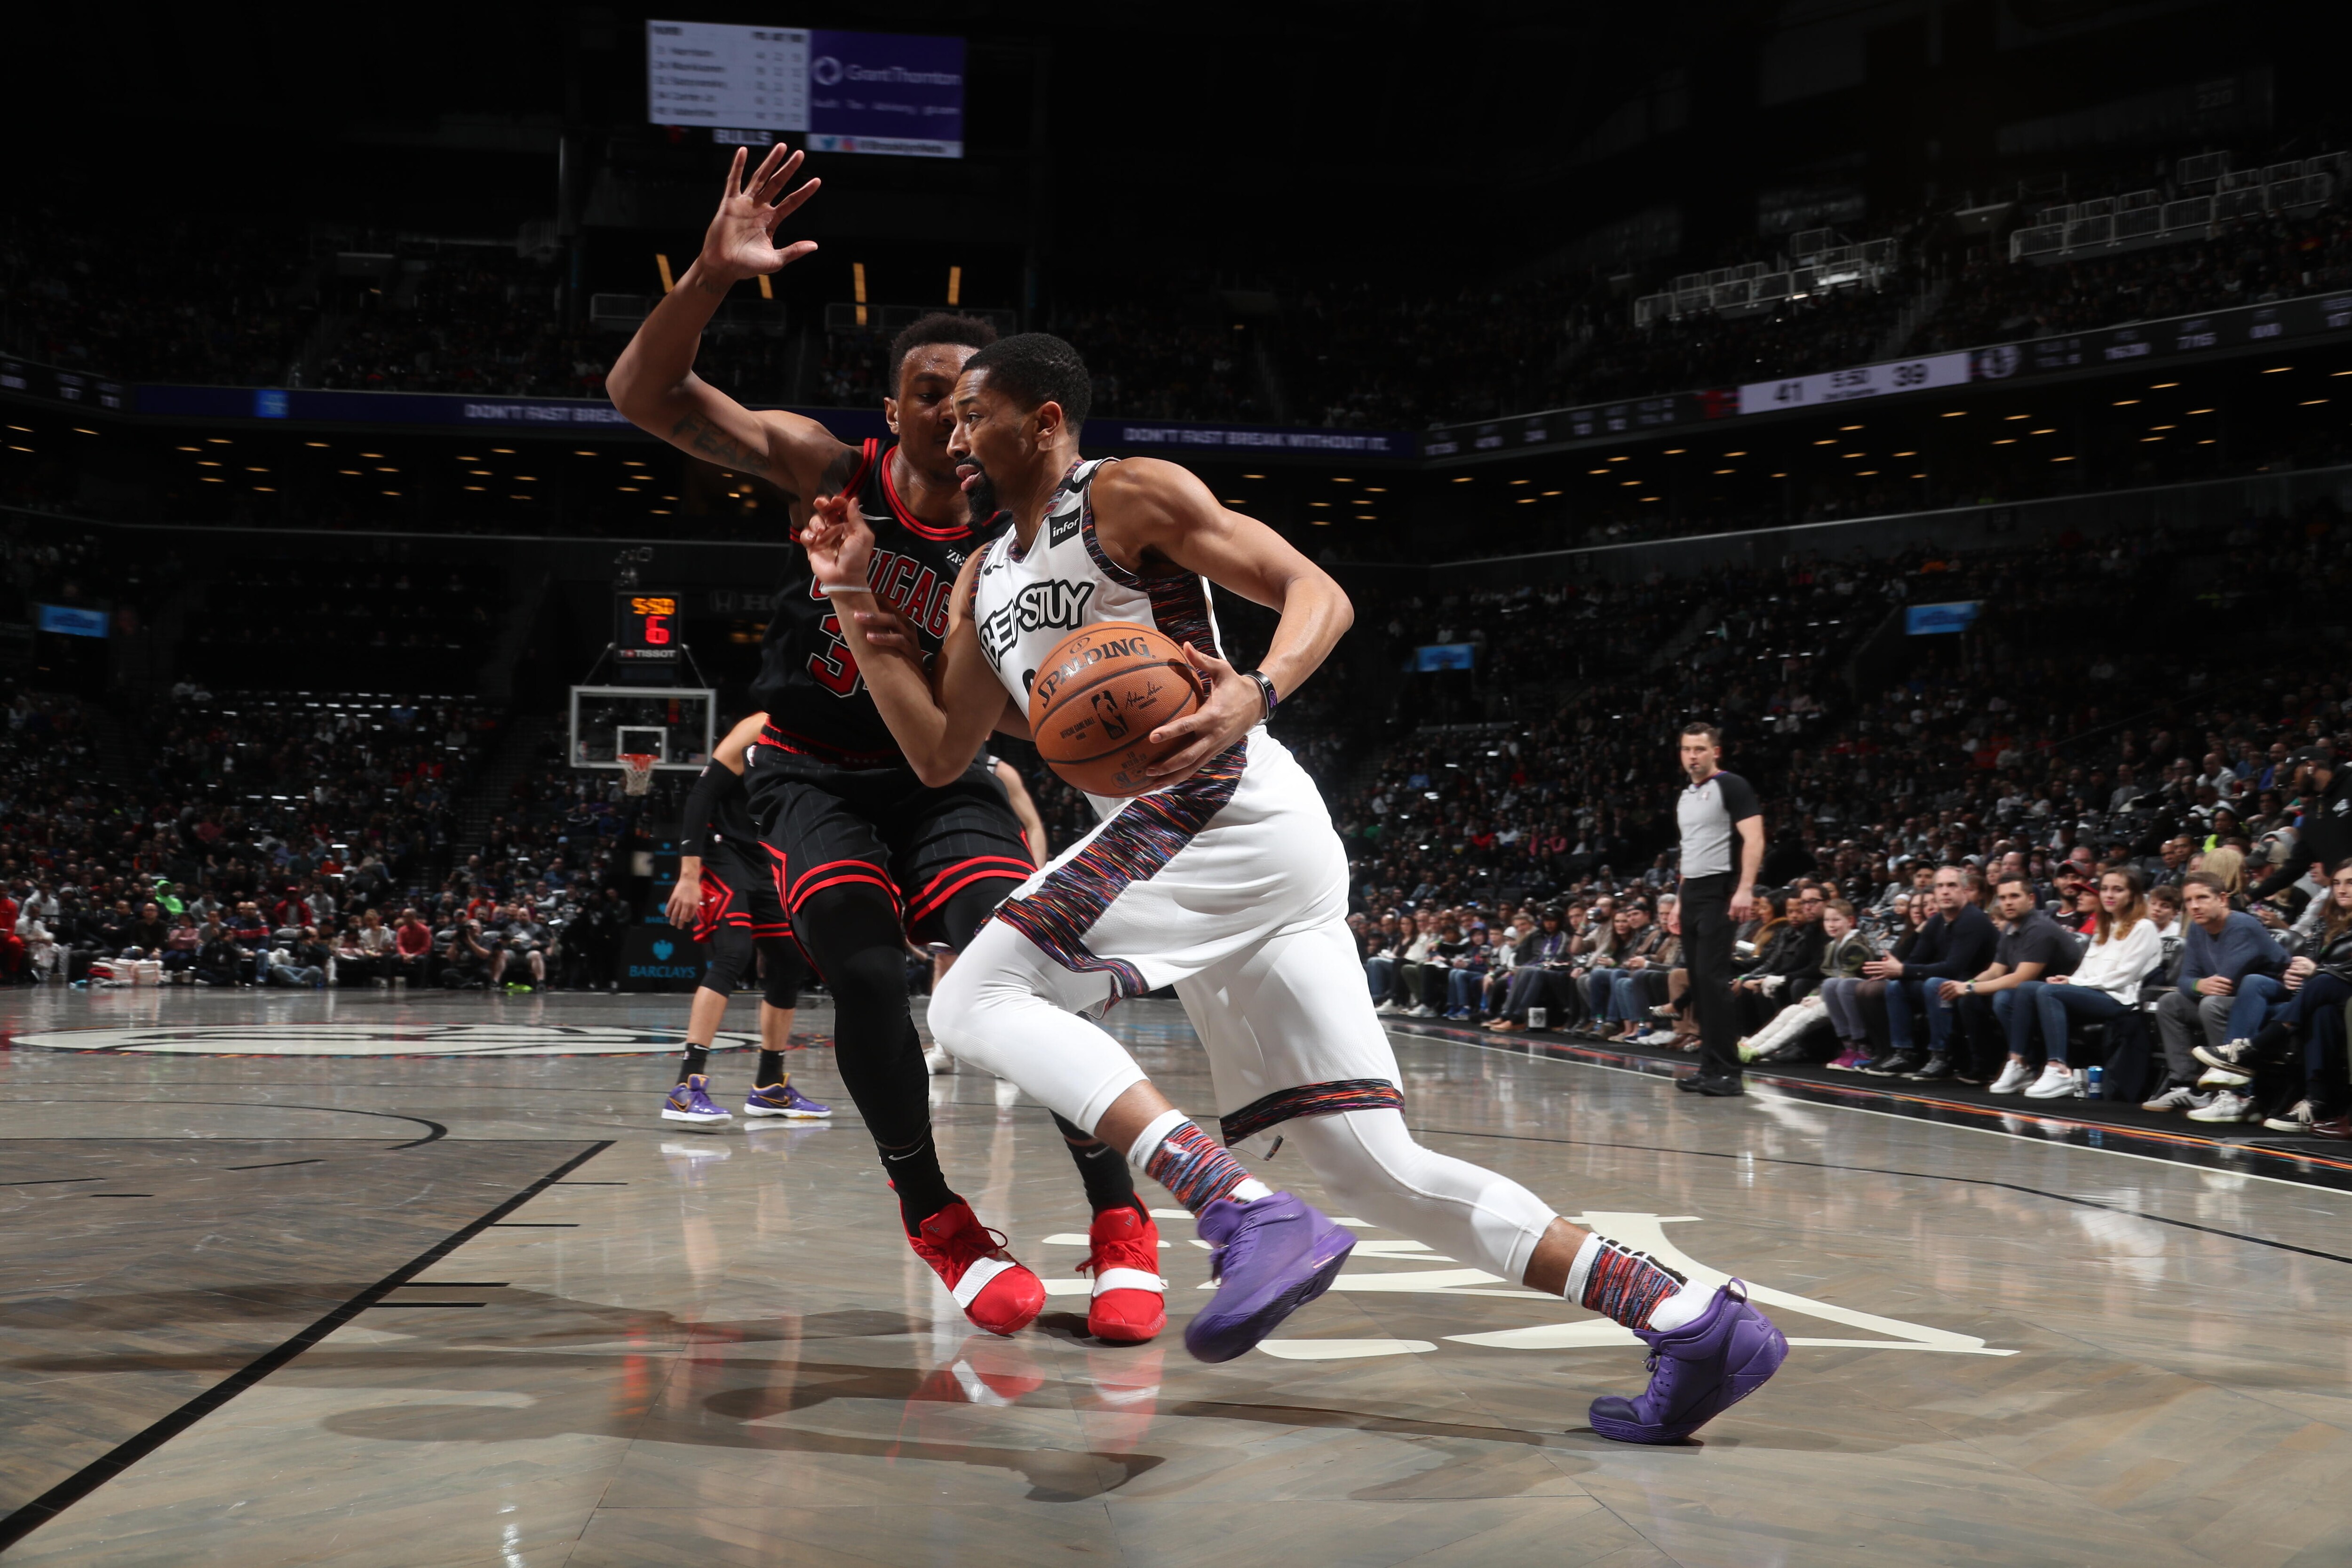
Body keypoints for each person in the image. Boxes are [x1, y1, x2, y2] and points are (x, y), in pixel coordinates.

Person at [803, 327, 1785, 1435]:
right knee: (1370, 1170)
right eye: (944, 413)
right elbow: (941, 751)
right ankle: (1690, 1316)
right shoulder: (982, 576)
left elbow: (1312, 589)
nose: (954, 429)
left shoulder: (1124, 496)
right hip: (1219, 852)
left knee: (980, 996)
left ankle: (1234, 1208)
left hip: (1219, 803)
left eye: (976, 410)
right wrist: (846, 596)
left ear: (1045, 421)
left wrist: (1256, 689)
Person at [606, 143, 1147, 1344]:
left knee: (1029, 970)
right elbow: (646, 401)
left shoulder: (1033, 543)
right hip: (813, 776)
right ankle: (937, 1216)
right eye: (928, 393)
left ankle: (1119, 1217)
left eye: (974, 400)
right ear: (891, 404)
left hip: (942, 776)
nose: (952, 418)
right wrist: (705, 276)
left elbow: (1019, 720)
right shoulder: (829, 469)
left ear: (1002, 414)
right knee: (854, 975)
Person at [660, 712, 829, 1126]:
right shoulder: (760, 726)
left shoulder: (825, 739)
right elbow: (702, 794)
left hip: (765, 857)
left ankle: (770, 1087)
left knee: (789, 961)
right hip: (723, 854)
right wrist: (687, 875)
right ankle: (686, 1087)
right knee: (733, 953)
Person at [2186, 857, 2352, 1132]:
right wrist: (2291, 975)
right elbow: (2303, 962)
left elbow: (2335, 972)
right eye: (2336, 883)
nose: (2342, 889)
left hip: (2341, 994)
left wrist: (2317, 971)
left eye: (2350, 883)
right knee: (2261, 984)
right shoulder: (2326, 921)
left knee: (2322, 983)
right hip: (2314, 1001)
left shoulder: (2240, 924)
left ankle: (2249, 1052)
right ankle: (2313, 1103)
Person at [2003, 868, 2161, 1099]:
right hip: (2095, 993)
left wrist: (2075, 983)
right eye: (2105, 889)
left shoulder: (2144, 928)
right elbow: (2086, 967)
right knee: (2028, 988)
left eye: (2118, 890)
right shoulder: (2105, 927)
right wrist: (2069, 980)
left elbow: (2123, 978)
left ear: (2133, 895)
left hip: (2121, 1001)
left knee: (2049, 993)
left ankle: (2058, 1069)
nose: (2109, 895)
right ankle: (2019, 1064)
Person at [2147, 870, 2287, 1122]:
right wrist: (2200, 984)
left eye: (2201, 898)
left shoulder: (2242, 926)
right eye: (2189, 901)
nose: (2194, 906)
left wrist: (2202, 986)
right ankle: (2188, 1085)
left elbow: (2227, 982)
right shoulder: (2198, 930)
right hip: (2231, 998)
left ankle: (2232, 1094)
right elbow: (2186, 979)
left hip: (2270, 999)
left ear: (2222, 899)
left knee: (2212, 1005)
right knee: (2169, 1003)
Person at [1672, 724, 1765, 1096]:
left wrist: (1745, 888)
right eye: (1686, 749)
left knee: (1714, 982)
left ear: (1715, 752)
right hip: (1692, 890)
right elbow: (1689, 849)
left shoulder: (1733, 785)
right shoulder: (1685, 796)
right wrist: (1680, 899)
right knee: (1699, 984)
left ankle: (1729, 1072)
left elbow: (1755, 838)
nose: (1692, 755)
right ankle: (1709, 1066)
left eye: (1699, 749)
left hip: (1720, 889)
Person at [1859, 866, 1997, 1081]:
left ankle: (1941, 1056)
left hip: (1977, 984)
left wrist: (1902, 969)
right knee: (1897, 986)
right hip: (1949, 982)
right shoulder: (1936, 921)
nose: (1945, 892)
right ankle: (1903, 1053)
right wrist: (1894, 970)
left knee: (1934, 984)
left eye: (1952, 886)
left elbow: (1953, 967)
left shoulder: (1973, 919)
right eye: (1940, 886)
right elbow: (1916, 960)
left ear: (1965, 890)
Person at [1956, 875, 2083, 1092]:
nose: (2008, 902)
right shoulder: (2010, 928)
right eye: (2003, 898)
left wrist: (1969, 988)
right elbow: (1996, 970)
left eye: (2015, 896)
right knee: (1970, 1001)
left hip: (2066, 995)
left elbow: (2019, 978)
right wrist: (1966, 985)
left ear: (2031, 899)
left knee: (2004, 998)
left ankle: (2024, 1064)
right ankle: (1986, 1065)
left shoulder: (2040, 928)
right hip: (2033, 993)